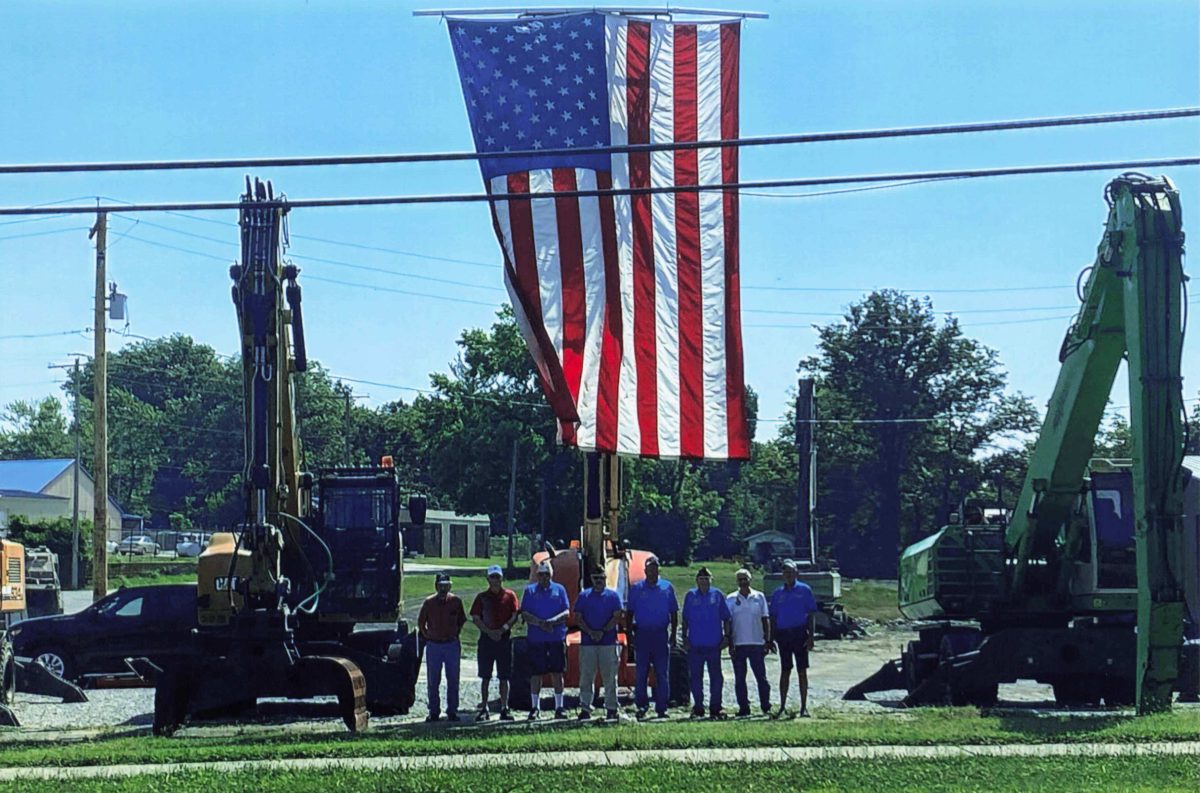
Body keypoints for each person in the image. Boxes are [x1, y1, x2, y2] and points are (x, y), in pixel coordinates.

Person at [625, 555, 678, 719]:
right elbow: (629, 613)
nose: (652, 571)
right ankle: (641, 705)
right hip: (642, 634)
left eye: (655, 568)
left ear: (658, 569)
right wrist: (629, 635)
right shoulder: (636, 588)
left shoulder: (667, 587)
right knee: (642, 673)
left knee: (662, 672)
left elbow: (674, 613)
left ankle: (662, 707)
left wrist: (674, 634)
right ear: (645, 570)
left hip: (661, 635)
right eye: (649, 568)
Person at [520, 560, 571, 720]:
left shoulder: (559, 589)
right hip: (536, 639)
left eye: (546, 574)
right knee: (536, 674)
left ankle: (559, 707)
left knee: (557, 673)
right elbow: (525, 613)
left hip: (556, 638)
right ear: (537, 575)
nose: (543, 577)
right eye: (541, 574)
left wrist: (552, 622)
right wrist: (540, 623)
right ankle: (535, 707)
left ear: (551, 575)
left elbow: (566, 612)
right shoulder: (529, 591)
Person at [470, 564, 519, 721]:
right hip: (486, 640)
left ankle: (505, 707)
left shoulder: (510, 596)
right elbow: (476, 618)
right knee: (485, 676)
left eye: (497, 577)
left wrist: (502, 629)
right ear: (488, 579)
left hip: (504, 639)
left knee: (504, 676)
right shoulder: (481, 597)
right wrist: (489, 632)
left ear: (501, 578)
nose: (495, 580)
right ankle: (484, 707)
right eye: (492, 577)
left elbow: (514, 615)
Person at [681, 566, 732, 719]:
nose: (704, 582)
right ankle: (698, 707)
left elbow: (726, 618)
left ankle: (715, 707)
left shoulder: (717, 595)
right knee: (695, 678)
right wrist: (684, 637)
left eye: (707, 579)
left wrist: (727, 637)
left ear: (711, 580)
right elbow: (685, 619)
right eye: (701, 579)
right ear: (697, 580)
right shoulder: (690, 596)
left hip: (714, 645)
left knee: (716, 677)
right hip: (695, 645)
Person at [770, 559, 818, 717]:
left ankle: (804, 707)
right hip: (784, 635)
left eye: (790, 572)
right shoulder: (777, 593)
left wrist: (811, 636)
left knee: (802, 670)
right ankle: (782, 706)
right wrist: (771, 638)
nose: (788, 575)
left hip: (799, 633)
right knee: (785, 670)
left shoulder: (805, 590)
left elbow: (811, 614)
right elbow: (773, 618)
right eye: (785, 572)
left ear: (796, 573)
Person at [574, 569, 624, 721]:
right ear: (591, 578)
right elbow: (578, 617)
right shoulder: (584, 596)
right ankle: (585, 708)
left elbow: (617, 616)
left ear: (605, 578)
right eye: (595, 578)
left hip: (608, 642)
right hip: (588, 643)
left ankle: (611, 707)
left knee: (610, 678)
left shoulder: (613, 596)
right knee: (586, 677)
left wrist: (602, 631)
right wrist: (590, 632)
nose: (598, 580)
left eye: (601, 577)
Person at [417, 572, 467, 722]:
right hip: (434, 645)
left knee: (453, 679)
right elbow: (421, 623)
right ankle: (434, 711)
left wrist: (454, 633)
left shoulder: (456, 602)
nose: (443, 589)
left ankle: (452, 711)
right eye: (441, 586)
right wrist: (428, 636)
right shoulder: (429, 602)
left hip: (451, 644)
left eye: (446, 586)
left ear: (450, 586)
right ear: (436, 586)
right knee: (433, 680)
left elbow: (462, 620)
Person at [726, 568, 772, 717]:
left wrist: (768, 640)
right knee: (740, 679)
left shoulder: (759, 597)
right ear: (737, 582)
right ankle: (743, 707)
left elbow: (766, 619)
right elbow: (728, 622)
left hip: (757, 642)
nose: (743, 582)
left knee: (761, 677)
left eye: (745, 578)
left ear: (750, 580)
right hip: (738, 644)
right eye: (740, 579)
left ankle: (766, 705)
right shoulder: (731, 599)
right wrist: (729, 643)